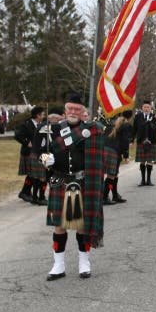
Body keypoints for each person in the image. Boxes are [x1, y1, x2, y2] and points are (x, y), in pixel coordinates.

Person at [40, 92, 106, 281]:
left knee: (82, 226)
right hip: (60, 181)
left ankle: (84, 262)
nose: (74, 111)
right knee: (59, 225)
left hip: (82, 181)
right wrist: (46, 159)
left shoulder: (91, 130)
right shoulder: (53, 130)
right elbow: (38, 151)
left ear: (83, 111)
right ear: (65, 110)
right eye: (70, 108)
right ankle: (58, 265)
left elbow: (102, 137)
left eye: (77, 109)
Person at [15, 106, 45, 204]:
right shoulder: (27, 124)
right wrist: (27, 142)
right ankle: (25, 192)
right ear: (38, 115)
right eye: (42, 114)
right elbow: (18, 135)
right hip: (28, 153)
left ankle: (25, 192)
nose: (44, 116)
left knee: (32, 175)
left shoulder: (40, 124)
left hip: (36, 153)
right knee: (32, 174)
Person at [102, 113, 129, 205]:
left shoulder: (109, 125)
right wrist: (126, 155)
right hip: (114, 152)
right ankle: (104, 197)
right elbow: (125, 142)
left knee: (114, 174)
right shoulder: (125, 126)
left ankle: (115, 195)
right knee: (111, 176)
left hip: (104, 150)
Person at [133, 99, 156, 186]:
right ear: (142, 108)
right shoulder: (138, 116)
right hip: (141, 141)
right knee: (142, 161)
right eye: (145, 107)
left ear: (150, 108)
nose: (146, 109)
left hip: (151, 141)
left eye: (148, 107)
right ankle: (143, 180)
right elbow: (135, 129)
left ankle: (149, 180)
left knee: (150, 161)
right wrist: (131, 140)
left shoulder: (154, 117)